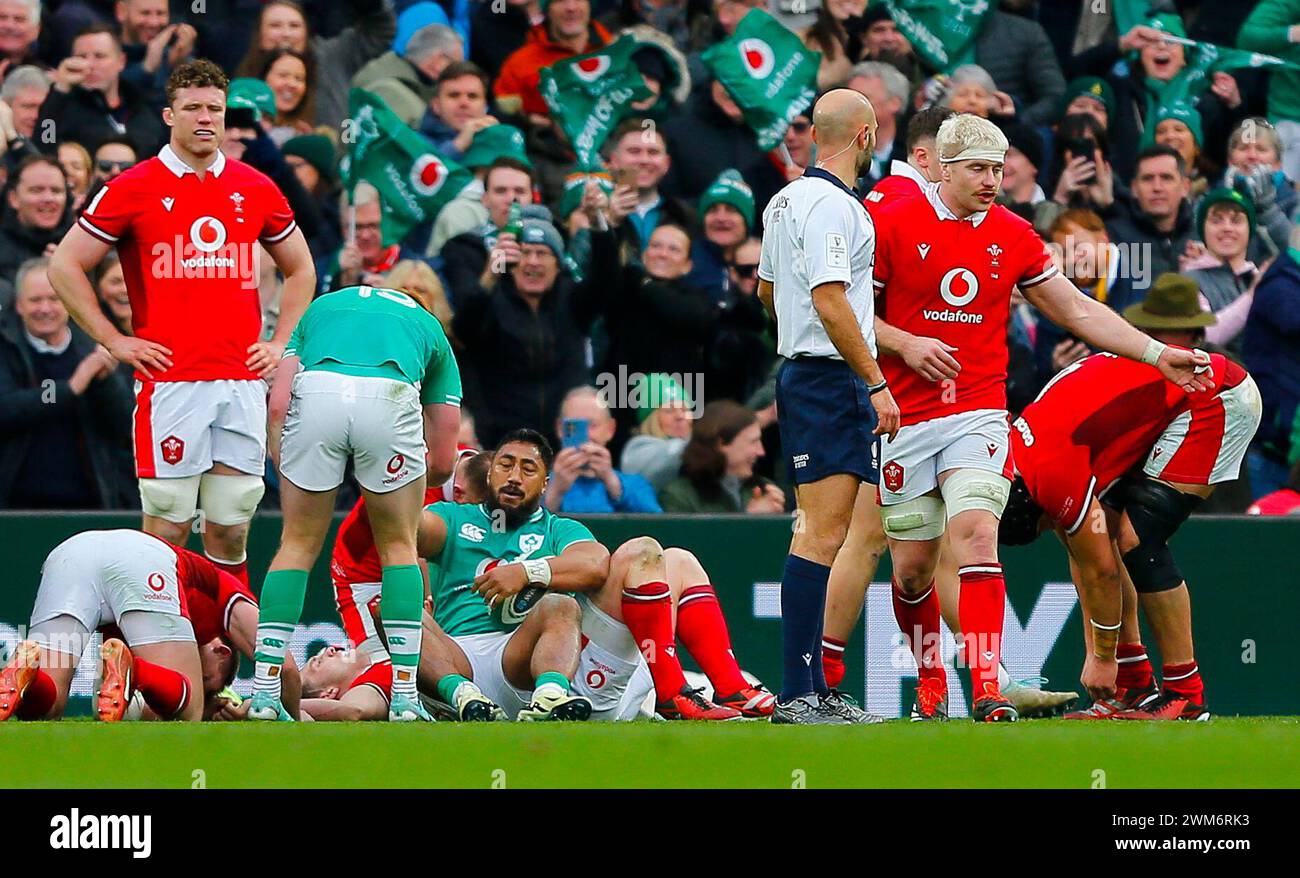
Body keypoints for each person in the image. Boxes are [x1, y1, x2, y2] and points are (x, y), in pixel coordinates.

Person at [870, 114, 1213, 723]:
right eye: (978, 168)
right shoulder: (893, 221)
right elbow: (843, 315)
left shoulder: (1013, 234)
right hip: (908, 415)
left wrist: (1156, 353)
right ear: (942, 168)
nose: (991, 180)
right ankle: (930, 677)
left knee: (977, 534)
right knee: (913, 570)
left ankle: (987, 688)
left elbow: (1078, 310)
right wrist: (904, 343)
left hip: (979, 411)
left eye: (998, 169)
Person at [47, 59, 316, 589]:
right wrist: (113, 339)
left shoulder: (254, 187)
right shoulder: (133, 186)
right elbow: (65, 265)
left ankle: (221, 639)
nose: (205, 118)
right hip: (170, 380)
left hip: (240, 380)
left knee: (232, 526)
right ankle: (155, 638)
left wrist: (282, 341)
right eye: (192, 107)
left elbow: (302, 268)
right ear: (169, 115)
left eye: (214, 108)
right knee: (168, 524)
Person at [1001, 275, 1262, 721]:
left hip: (1216, 396)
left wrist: (1101, 656)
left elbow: (1102, 572)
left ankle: (1186, 693)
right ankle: (1136, 685)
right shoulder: (1019, 452)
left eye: (1045, 523)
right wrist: (1103, 654)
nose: (1053, 526)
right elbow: (1087, 559)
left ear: (1032, 505)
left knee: (1138, 540)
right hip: (1173, 402)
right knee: (1101, 538)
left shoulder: (1051, 476)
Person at [249, 282, 462, 722]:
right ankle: (405, 698)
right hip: (389, 398)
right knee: (399, 548)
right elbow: (444, 458)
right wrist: (408, 481)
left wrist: (285, 459)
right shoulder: (429, 328)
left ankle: (265, 694)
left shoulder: (320, 309)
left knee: (296, 544)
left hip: (318, 395)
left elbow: (278, 404)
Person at [754, 89, 897, 725]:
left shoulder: (784, 200)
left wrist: (801, 333)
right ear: (865, 136)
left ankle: (811, 688)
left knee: (825, 531)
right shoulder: (836, 206)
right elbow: (831, 298)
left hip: (805, 373)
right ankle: (798, 693)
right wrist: (875, 381)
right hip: (830, 379)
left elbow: (766, 291)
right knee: (822, 533)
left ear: (816, 134)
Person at [415, 429, 609, 721]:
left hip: (518, 659)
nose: (514, 477)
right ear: (490, 474)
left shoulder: (557, 529)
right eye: (505, 466)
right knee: (395, 610)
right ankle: (463, 696)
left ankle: (549, 698)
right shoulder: (451, 517)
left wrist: (527, 572)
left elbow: (595, 563)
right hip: (453, 655)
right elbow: (411, 529)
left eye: (528, 469)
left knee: (561, 605)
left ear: (545, 484)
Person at [0, 530, 226, 722]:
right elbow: (247, 622)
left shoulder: (208, 584)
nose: (206, 682)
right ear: (223, 651)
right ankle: (136, 671)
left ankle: (31, 675)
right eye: (208, 680)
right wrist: (248, 704)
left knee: (49, 706)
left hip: (70, 555)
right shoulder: (216, 580)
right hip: (141, 558)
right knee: (191, 710)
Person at [452, 213, 613, 449]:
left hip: (564, 440)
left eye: (543, 253)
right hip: (502, 438)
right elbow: (464, 330)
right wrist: (491, 273)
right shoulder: (492, 300)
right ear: (511, 264)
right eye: (525, 253)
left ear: (558, 265)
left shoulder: (571, 298)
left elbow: (606, 278)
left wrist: (599, 225)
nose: (533, 262)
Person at [0, 257, 134, 510]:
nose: (45, 308)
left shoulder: (96, 346)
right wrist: (70, 388)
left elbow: (123, 425)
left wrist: (105, 382)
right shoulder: (6, 346)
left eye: (54, 299)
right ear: (18, 305)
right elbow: (6, 407)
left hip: (90, 505)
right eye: (35, 300)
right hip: (15, 505)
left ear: (69, 304)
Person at [233, 0, 396, 132]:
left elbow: (381, 31)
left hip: (335, 154)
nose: (286, 34)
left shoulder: (333, 54)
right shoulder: (242, 79)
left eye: (294, 26)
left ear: (306, 31)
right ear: (259, 34)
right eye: (275, 25)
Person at [36, 23, 167, 157]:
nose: (90, 65)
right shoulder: (62, 107)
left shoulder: (144, 106)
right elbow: (44, 142)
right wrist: (60, 89)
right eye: (81, 57)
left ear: (121, 61)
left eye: (99, 56)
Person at [1243, 228, 1300, 497]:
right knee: (1267, 520)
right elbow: (1293, 321)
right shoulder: (1281, 283)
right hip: (1272, 446)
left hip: (1287, 448)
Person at [546, 386, 661, 514]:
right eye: (575, 426)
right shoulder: (536, 486)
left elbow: (657, 523)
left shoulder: (636, 485)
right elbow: (529, 522)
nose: (586, 436)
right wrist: (554, 492)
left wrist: (614, 484)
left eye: (593, 425)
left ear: (610, 429)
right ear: (560, 429)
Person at [658, 400, 785, 515]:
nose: (761, 452)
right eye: (753, 442)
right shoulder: (679, 497)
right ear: (721, 444)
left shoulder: (763, 490)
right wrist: (752, 519)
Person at [494, 0, 611, 118]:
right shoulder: (520, 63)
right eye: (560, 1)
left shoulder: (615, 51)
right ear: (547, 10)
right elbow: (502, 115)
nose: (571, 7)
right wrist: (527, 120)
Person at [1106, 145, 1196, 284]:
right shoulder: (1112, 237)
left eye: (1166, 178)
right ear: (1134, 188)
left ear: (1185, 187)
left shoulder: (1204, 236)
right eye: (1147, 179)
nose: (1157, 187)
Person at [1186, 188, 1259, 352]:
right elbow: (1205, 336)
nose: (1227, 228)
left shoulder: (1259, 276)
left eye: (1236, 221)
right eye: (1216, 220)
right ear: (1203, 229)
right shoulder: (1188, 282)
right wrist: (1252, 295)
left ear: (1250, 229)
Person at [352, 23, 463, 128]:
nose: (458, 75)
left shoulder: (383, 71)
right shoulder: (392, 93)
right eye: (455, 66)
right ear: (437, 61)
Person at [0, 154, 70, 285]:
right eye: (37, 190)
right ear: (13, 198)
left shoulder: (82, 245)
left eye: (56, 191)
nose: (48, 198)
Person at [619, 372, 694, 493]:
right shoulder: (637, 451)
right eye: (669, 410)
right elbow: (666, 458)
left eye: (685, 410)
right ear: (651, 419)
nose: (680, 416)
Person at [421, 60, 494, 161]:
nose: (464, 103)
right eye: (454, 95)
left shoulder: (499, 144)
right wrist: (458, 145)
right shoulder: (414, 142)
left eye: (472, 96)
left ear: (485, 107)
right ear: (436, 106)